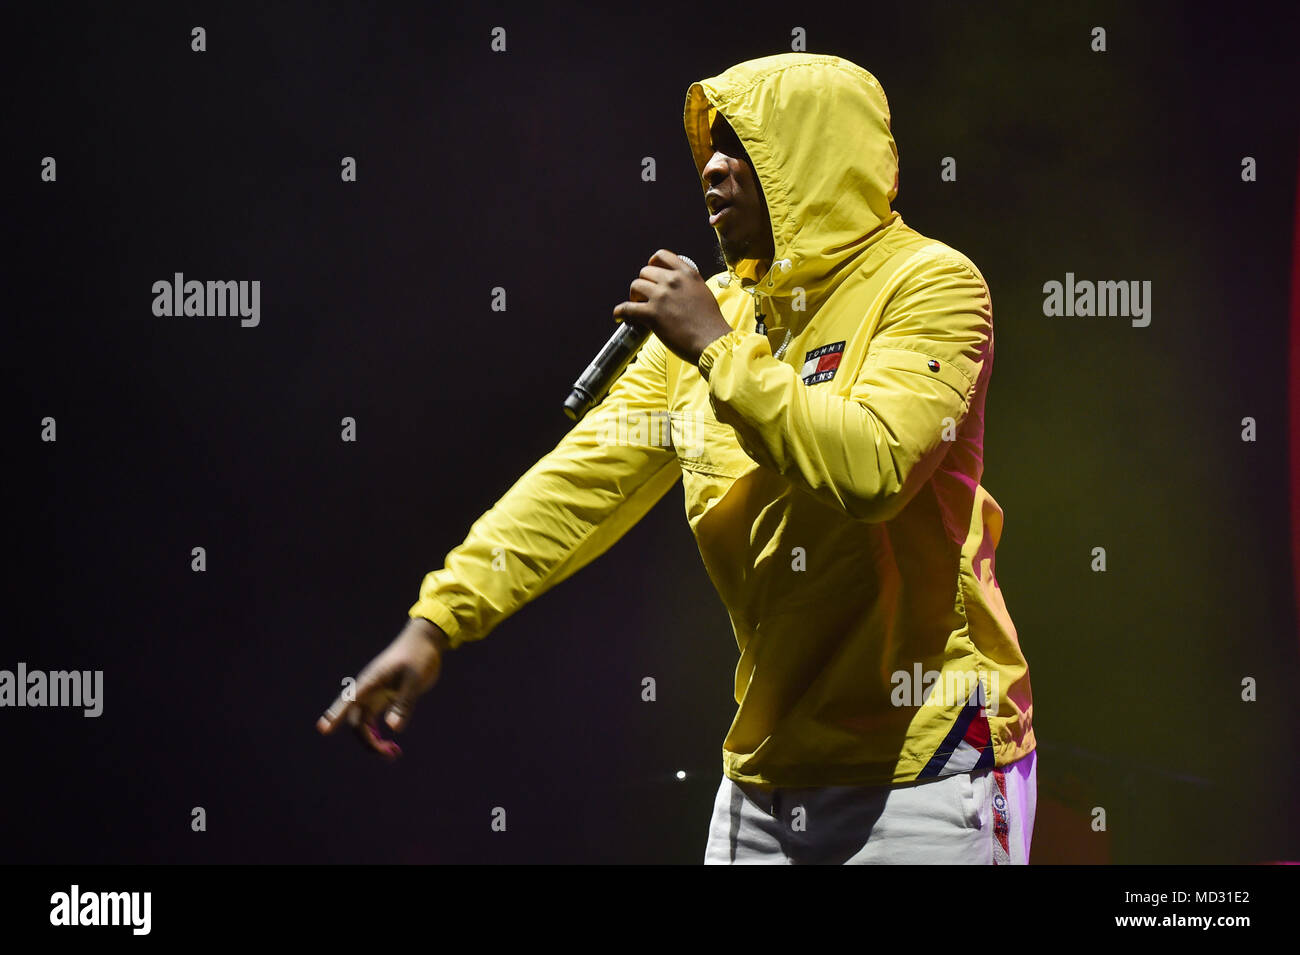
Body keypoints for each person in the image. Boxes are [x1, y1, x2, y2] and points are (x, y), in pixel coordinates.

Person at [317, 52, 1036, 865]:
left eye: (744, 146)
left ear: (813, 157)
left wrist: (719, 351)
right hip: (766, 776)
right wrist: (437, 620)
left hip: (927, 770)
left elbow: (873, 471)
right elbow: (581, 481)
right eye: (711, 149)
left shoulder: (930, 285)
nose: (715, 168)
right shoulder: (714, 322)